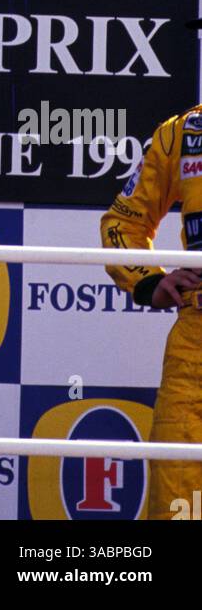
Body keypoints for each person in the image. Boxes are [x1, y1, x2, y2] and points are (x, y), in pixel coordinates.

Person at [100, 101, 202, 520]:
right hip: (195, 351)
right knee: (178, 506)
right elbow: (122, 222)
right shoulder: (182, 132)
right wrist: (148, 281)